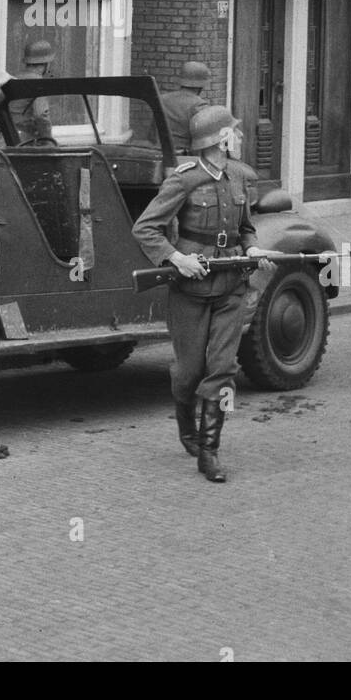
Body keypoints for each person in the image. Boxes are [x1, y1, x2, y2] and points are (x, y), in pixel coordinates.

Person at [132, 106, 269, 483]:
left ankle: (209, 451)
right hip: (190, 289)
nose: (240, 138)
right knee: (189, 373)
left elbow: (246, 228)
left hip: (231, 287)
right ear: (221, 139)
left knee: (222, 370)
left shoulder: (239, 178)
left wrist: (253, 248)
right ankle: (186, 423)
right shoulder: (184, 180)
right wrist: (176, 258)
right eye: (235, 133)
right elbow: (145, 229)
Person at [6, 37, 55, 144]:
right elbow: (41, 115)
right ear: (46, 63)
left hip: (3, 141)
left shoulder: (12, 79)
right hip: (26, 144)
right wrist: (48, 141)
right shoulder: (38, 83)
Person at [160, 61, 210, 154]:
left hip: (160, 153)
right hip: (185, 158)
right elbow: (203, 142)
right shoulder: (199, 105)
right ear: (202, 85)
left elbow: (151, 134)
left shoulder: (162, 99)